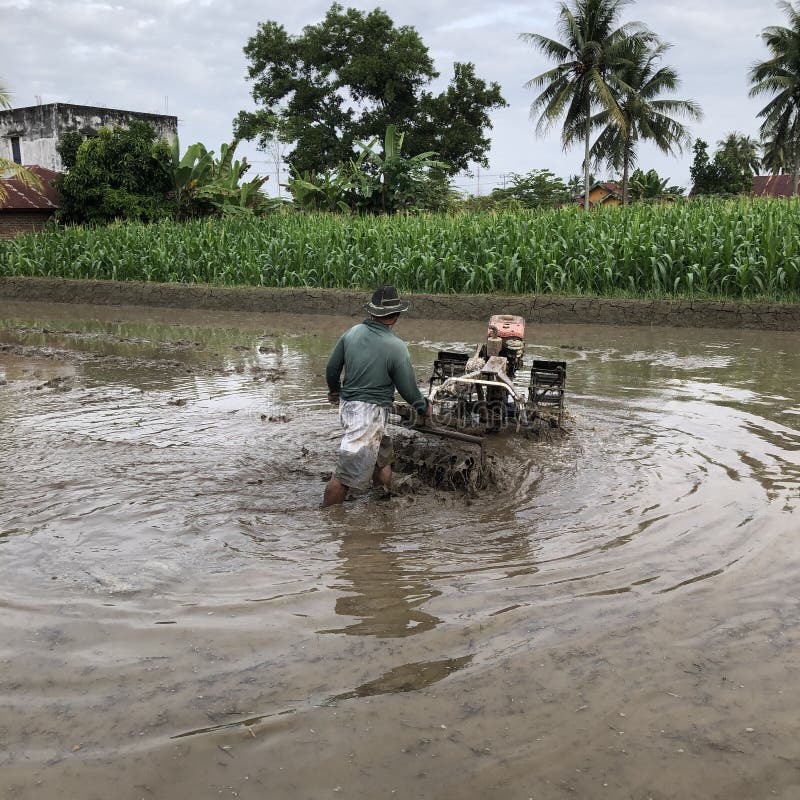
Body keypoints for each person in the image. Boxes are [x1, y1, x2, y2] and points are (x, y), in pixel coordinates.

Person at [323, 284, 431, 507]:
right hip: (367, 414)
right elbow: (408, 390)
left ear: (372, 312)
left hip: (349, 407)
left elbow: (332, 369)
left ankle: (382, 500)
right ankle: (329, 520)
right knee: (344, 476)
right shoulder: (396, 347)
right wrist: (423, 407)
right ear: (397, 316)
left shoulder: (352, 333)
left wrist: (334, 391)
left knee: (382, 457)